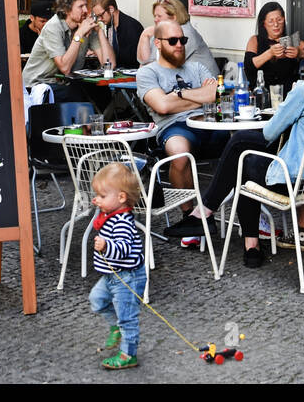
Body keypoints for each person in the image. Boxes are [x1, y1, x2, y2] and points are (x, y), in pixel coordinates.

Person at [175, 29, 304, 264]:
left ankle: (214, 220)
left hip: (298, 181)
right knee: (243, 148)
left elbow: (269, 132)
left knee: (244, 156)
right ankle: (219, 224)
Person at [135, 18, 222, 243]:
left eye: (182, 40)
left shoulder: (196, 66)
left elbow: (215, 95)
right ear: (158, 43)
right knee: (180, 153)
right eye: (172, 40)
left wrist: (179, 95)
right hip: (174, 127)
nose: (179, 45)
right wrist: (198, 98)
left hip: (210, 122)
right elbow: (162, 106)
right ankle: (189, 216)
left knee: (245, 142)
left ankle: (252, 216)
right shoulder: (147, 73)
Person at [88, 161, 146, 370]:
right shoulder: (110, 215)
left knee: (127, 318)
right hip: (112, 276)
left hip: (128, 277)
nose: (98, 200)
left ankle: (128, 354)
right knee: (97, 299)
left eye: (103, 196)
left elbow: (122, 248)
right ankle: (116, 327)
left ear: (121, 198)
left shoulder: (122, 221)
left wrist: (106, 245)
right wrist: (101, 201)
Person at [21, 0, 114, 90]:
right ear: (67, 10)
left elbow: (110, 65)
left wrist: (100, 31)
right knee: (79, 94)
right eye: (80, 6)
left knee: (104, 92)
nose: (85, 10)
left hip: (64, 83)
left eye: (86, 5)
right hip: (38, 85)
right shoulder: (53, 27)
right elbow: (65, 68)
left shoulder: (85, 25)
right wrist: (79, 34)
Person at [136, 0, 216, 75]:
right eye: (155, 16)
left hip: (204, 83)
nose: (155, 20)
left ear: (173, 18)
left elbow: (164, 65)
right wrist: (145, 35)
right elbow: (143, 61)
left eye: (159, 16)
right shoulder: (160, 31)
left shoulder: (185, 34)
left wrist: (146, 67)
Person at [244, 1, 304, 93]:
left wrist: (301, 53)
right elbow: (248, 67)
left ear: (284, 20)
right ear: (263, 23)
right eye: (271, 21)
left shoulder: (291, 40)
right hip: (262, 94)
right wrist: (270, 53)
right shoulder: (255, 40)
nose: (276, 24)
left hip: (288, 96)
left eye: (279, 20)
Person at [91, 0, 144, 69]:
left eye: (101, 15)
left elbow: (130, 59)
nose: (99, 19)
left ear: (111, 9)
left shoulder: (131, 26)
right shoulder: (110, 24)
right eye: (97, 16)